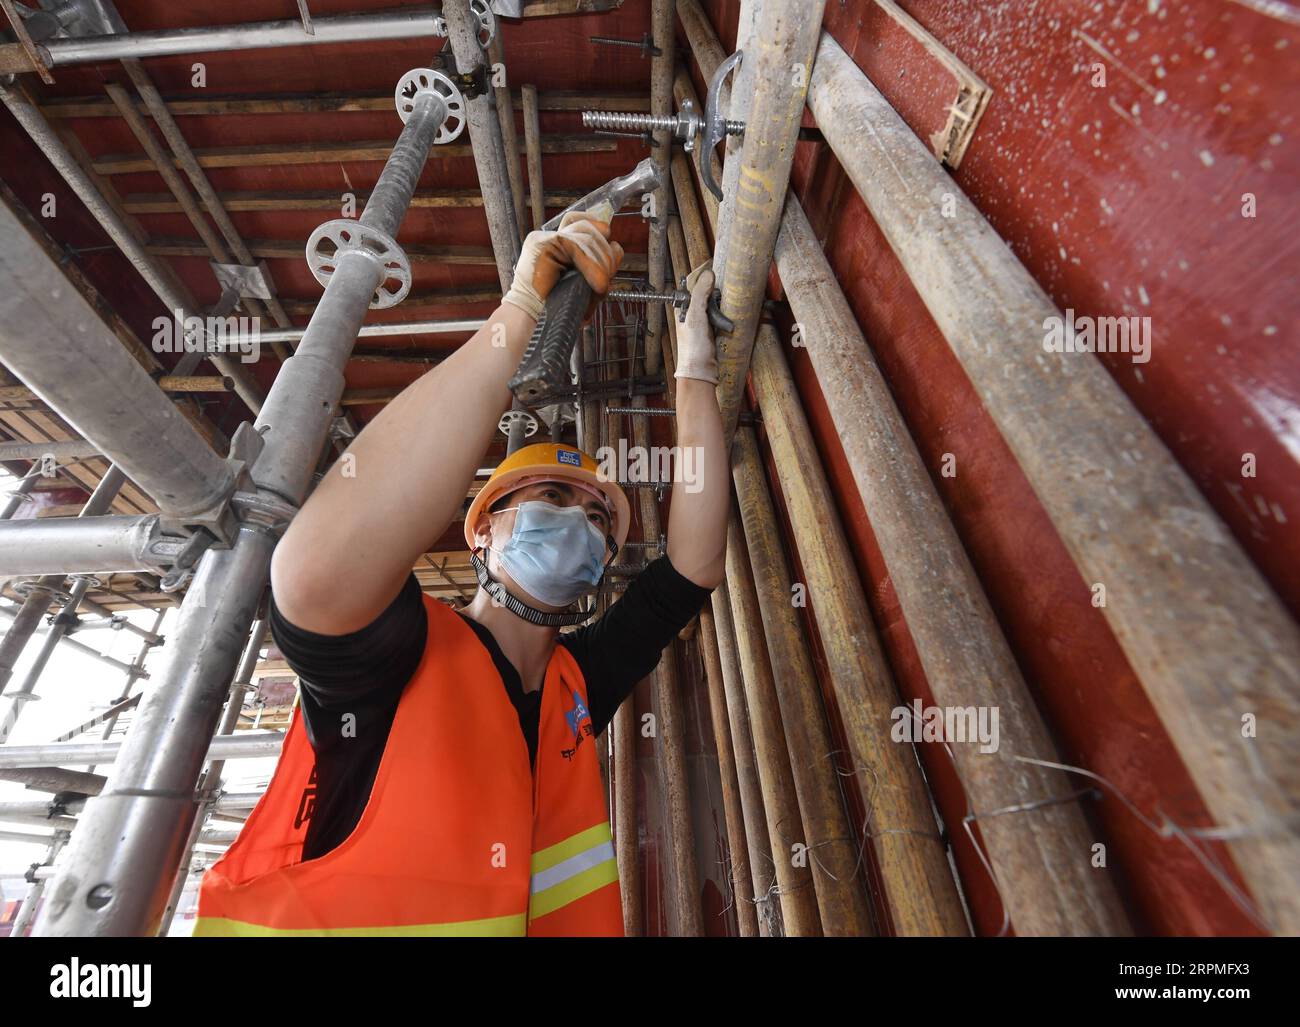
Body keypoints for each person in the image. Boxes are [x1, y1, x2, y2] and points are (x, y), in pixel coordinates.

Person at [194, 211, 729, 936]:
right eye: (552, 497)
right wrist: (520, 312)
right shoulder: (397, 656)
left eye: (600, 519)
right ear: (480, 533)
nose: (580, 520)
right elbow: (315, 573)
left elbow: (693, 566)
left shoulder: (574, 689)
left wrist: (695, 370)